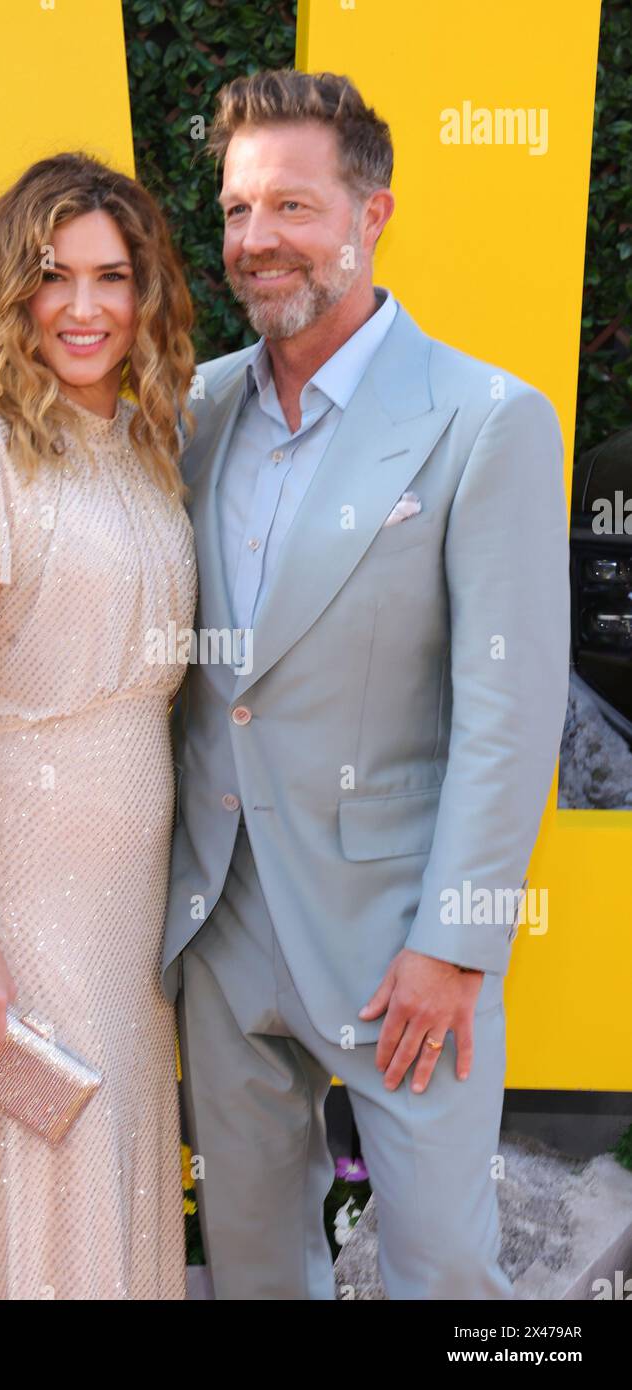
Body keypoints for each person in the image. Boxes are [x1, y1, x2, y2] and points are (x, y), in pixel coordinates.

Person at [162, 68, 570, 1300]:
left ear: (369, 214)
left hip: (403, 941)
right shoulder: (194, 408)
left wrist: (457, 941)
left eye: (290, 207)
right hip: (222, 927)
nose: (253, 241)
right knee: (248, 1272)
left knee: (444, 1272)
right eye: (236, 211)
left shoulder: (484, 418)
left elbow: (510, 708)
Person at [0, 152, 197, 1299]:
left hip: (132, 890)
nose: (81, 307)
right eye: (51, 277)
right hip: (20, 871)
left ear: (144, 291)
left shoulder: (155, 445)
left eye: (110, 278)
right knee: (44, 1137)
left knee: (110, 1141)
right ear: (11, 292)